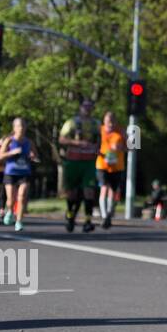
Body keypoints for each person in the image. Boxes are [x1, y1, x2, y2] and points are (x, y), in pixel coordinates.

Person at [58, 98, 101, 232]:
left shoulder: (96, 124)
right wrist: (78, 143)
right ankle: (71, 217)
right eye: (85, 106)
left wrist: (98, 149)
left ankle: (88, 221)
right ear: (80, 108)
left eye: (90, 107)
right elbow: (61, 139)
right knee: (72, 193)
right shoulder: (72, 123)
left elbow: (101, 140)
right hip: (73, 161)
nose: (87, 109)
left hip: (89, 162)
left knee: (89, 191)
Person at [0, 117, 39, 233]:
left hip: (24, 173)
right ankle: (10, 211)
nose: (21, 128)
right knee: (10, 199)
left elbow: (36, 156)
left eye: (23, 126)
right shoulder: (9, 141)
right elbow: (0, 156)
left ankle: (19, 221)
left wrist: (33, 156)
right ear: (14, 128)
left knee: (21, 196)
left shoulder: (29, 142)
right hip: (11, 173)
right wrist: (12, 152)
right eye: (19, 126)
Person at [95, 111, 127, 229]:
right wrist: (96, 151)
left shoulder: (121, 131)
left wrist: (121, 147)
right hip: (102, 164)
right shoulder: (99, 130)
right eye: (108, 122)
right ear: (104, 121)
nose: (111, 124)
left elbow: (131, 148)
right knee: (104, 187)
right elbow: (94, 145)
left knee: (113, 190)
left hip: (117, 166)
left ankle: (109, 214)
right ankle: (104, 216)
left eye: (113, 122)